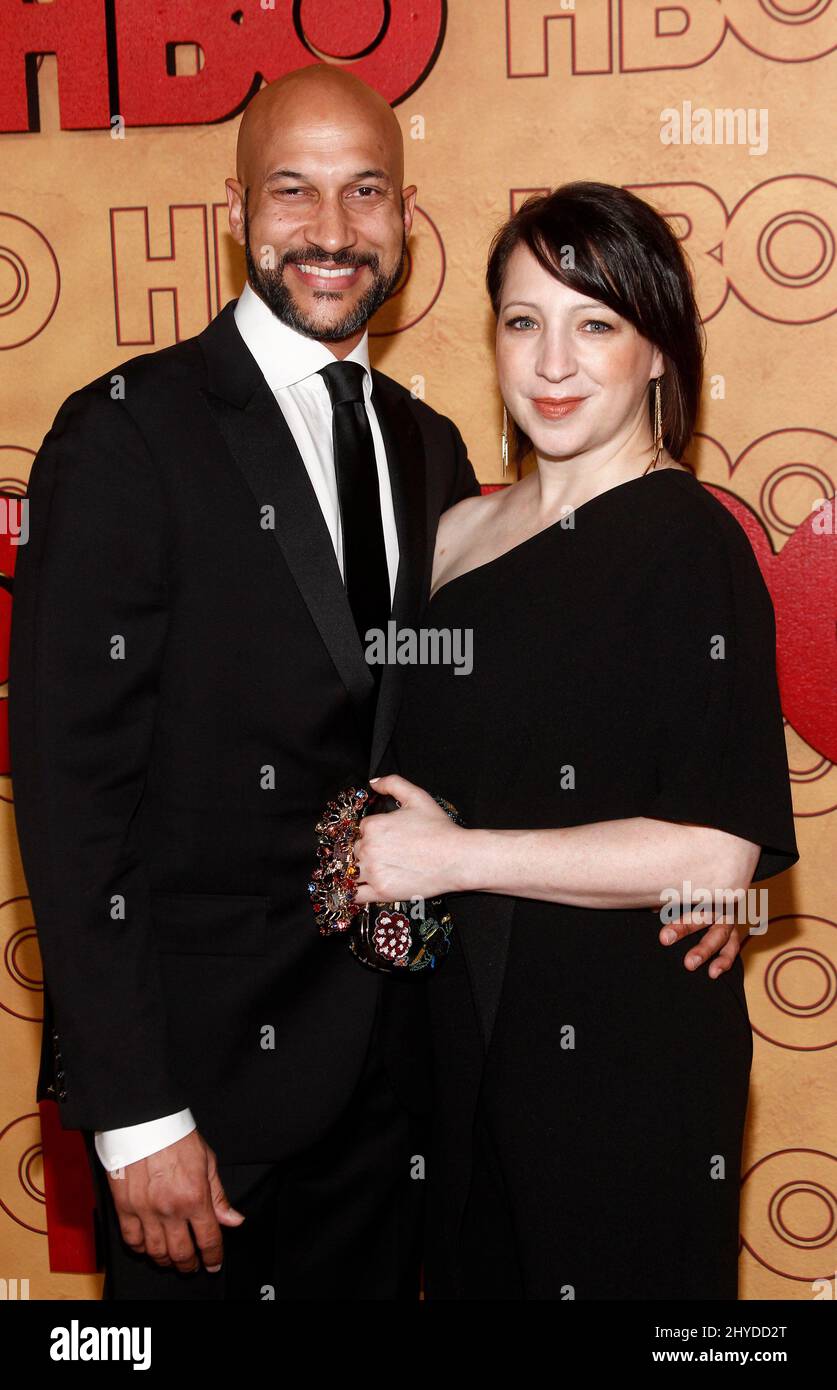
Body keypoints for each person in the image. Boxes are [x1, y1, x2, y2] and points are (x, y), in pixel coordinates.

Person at [8, 65, 481, 1300]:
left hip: (395, 1095)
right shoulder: (127, 430)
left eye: (364, 191)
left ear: (406, 213)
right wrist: (136, 1114)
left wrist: (683, 864)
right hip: (204, 1110)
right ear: (236, 208)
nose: (331, 231)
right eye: (295, 191)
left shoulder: (430, 448)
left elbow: (466, 722)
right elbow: (69, 795)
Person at [354, 182, 799, 1300]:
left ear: (658, 349)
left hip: (622, 1045)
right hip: (458, 1034)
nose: (554, 360)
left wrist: (457, 858)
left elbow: (713, 861)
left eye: (594, 323)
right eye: (523, 320)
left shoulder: (688, 542)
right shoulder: (453, 531)